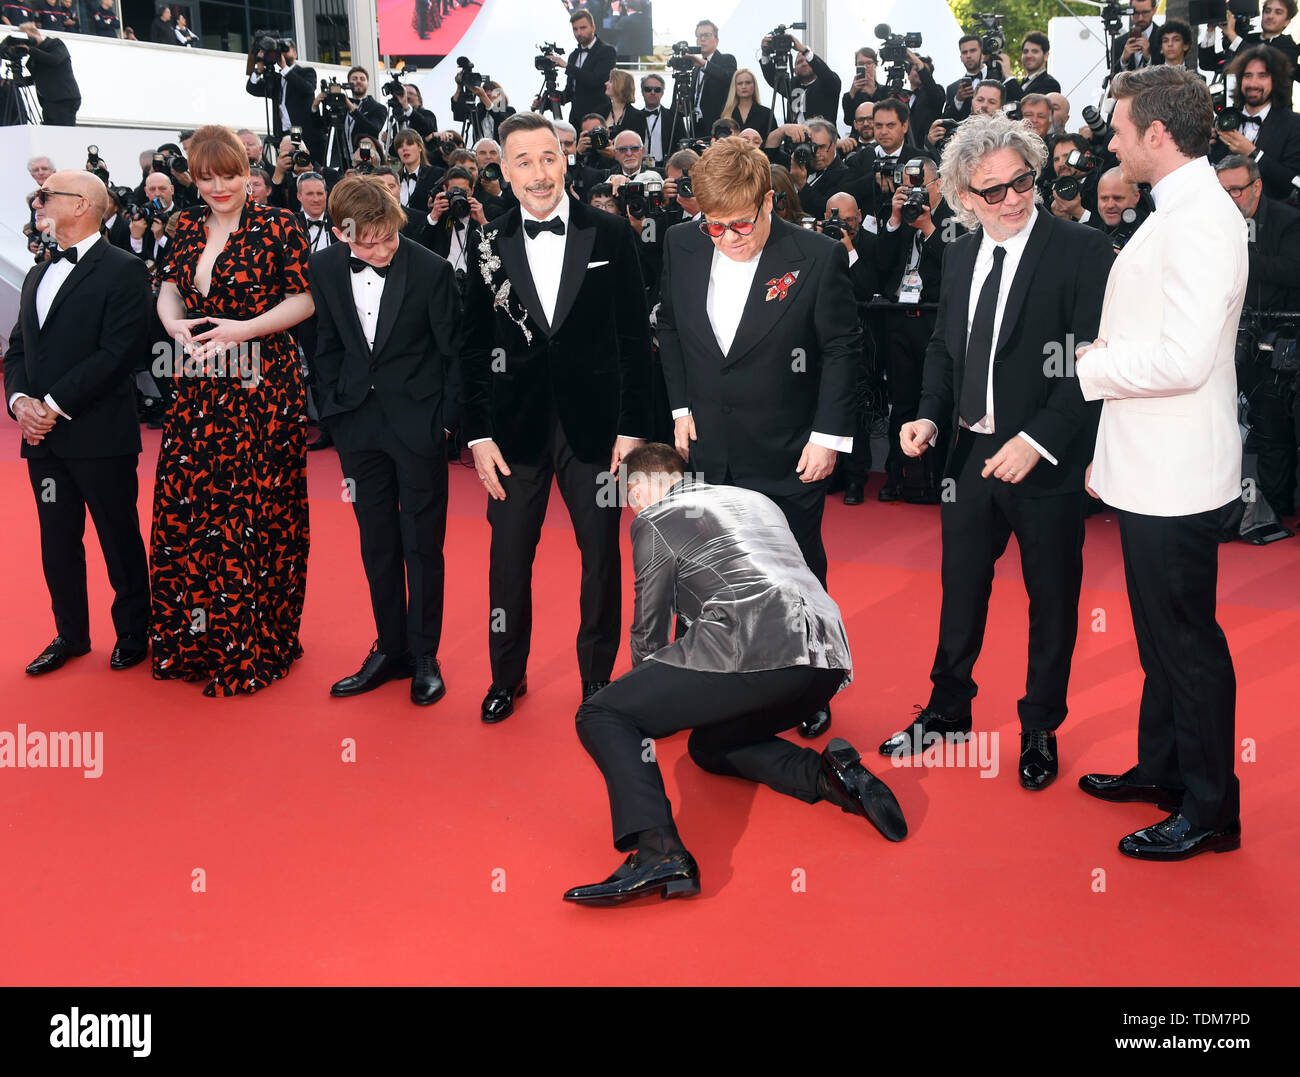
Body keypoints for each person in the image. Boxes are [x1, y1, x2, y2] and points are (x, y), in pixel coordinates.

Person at [565, 445, 905, 906]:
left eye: (629, 499)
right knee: (709, 748)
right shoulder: (755, 500)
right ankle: (829, 777)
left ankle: (658, 852)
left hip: (756, 647)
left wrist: (648, 707)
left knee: (602, 713)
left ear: (639, 488)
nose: (632, 509)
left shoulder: (655, 518)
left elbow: (649, 626)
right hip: (825, 663)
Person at [886, 112, 1115, 791]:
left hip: (1045, 458)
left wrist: (1038, 440)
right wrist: (928, 415)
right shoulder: (958, 253)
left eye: (1022, 181)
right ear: (963, 196)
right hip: (968, 456)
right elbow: (942, 347)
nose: (1013, 198)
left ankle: (1040, 724)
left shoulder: (1081, 249)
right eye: (994, 190)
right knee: (961, 587)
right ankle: (948, 709)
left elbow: (1089, 362)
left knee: (1052, 598)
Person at [1075, 65, 1247, 860]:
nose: (1110, 142)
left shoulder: (1202, 218)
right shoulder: (1177, 206)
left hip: (1177, 473)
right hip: (1150, 464)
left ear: (1156, 133)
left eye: (1119, 129)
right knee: (1160, 640)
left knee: (1186, 644)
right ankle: (1165, 769)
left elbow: (1183, 359)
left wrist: (1094, 365)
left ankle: (1211, 809)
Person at [656, 135, 858, 738]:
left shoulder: (816, 255)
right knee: (700, 567)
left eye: (741, 224)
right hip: (706, 445)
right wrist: (681, 407)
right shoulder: (681, 243)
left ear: (769, 200)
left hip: (788, 448)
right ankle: (701, 679)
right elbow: (671, 327)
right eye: (714, 226)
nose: (728, 238)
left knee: (794, 575)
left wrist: (828, 436)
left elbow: (843, 349)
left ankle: (809, 683)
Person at [461, 110, 652, 722]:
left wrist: (630, 427)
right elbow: (471, 345)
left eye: (548, 158)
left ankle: (596, 678)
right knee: (508, 558)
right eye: (524, 162)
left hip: (594, 427)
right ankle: (505, 675)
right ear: (504, 171)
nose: (539, 173)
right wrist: (477, 434)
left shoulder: (610, 233)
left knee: (600, 558)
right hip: (512, 429)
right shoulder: (485, 242)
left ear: (564, 159)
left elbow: (634, 338)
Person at [150, 125, 315, 697]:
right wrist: (173, 325)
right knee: (191, 507)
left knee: (251, 509)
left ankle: (251, 644)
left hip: (262, 386)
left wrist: (242, 330)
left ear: (250, 174)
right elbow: (170, 287)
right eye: (206, 177)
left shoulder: (279, 225)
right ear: (193, 179)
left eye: (229, 175)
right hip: (197, 383)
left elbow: (304, 298)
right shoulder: (186, 225)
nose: (219, 187)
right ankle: (195, 642)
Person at [307, 175, 461, 705]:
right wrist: (333, 408)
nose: (380, 251)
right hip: (356, 422)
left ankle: (424, 654)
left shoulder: (432, 269)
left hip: (418, 423)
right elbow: (325, 341)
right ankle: (390, 648)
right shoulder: (323, 267)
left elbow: (453, 354)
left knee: (422, 543)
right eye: (367, 243)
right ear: (340, 233)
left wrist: (444, 424)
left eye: (388, 238)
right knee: (376, 541)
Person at [4, 170, 152, 676]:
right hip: (43, 441)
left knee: (117, 536)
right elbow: (18, 349)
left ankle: (133, 632)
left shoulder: (125, 269)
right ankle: (70, 634)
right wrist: (20, 402)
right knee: (57, 539)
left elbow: (120, 351)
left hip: (100, 434)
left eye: (47, 196)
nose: (38, 203)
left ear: (83, 204)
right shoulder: (37, 273)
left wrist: (52, 404)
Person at [555, 6, 617, 126]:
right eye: (575, 29)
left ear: (593, 27)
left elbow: (597, 80)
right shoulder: (573, 55)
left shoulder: (607, 51)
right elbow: (570, 91)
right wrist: (549, 101)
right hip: (575, 120)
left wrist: (568, 67)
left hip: (598, 118)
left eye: (583, 28)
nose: (579, 33)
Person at [16, 21, 79, 125]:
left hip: (64, 98)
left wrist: (30, 50)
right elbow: (36, 78)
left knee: (62, 132)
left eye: (29, 37)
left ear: (37, 33)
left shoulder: (55, 44)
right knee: (50, 132)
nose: (28, 41)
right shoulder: (33, 58)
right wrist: (13, 81)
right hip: (48, 102)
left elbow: (54, 59)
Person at [721, 67, 775, 140]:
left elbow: (773, 142)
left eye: (748, 83)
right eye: (740, 83)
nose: (744, 86)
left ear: (754, 85)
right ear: (735, 87)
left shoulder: (766, 113)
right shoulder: (726, 113)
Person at [603, 68, 644, 142]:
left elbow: (637, 144)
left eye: (611, 81)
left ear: (620, 85)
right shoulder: (600, 111)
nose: (606, 83)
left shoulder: (637, 116)